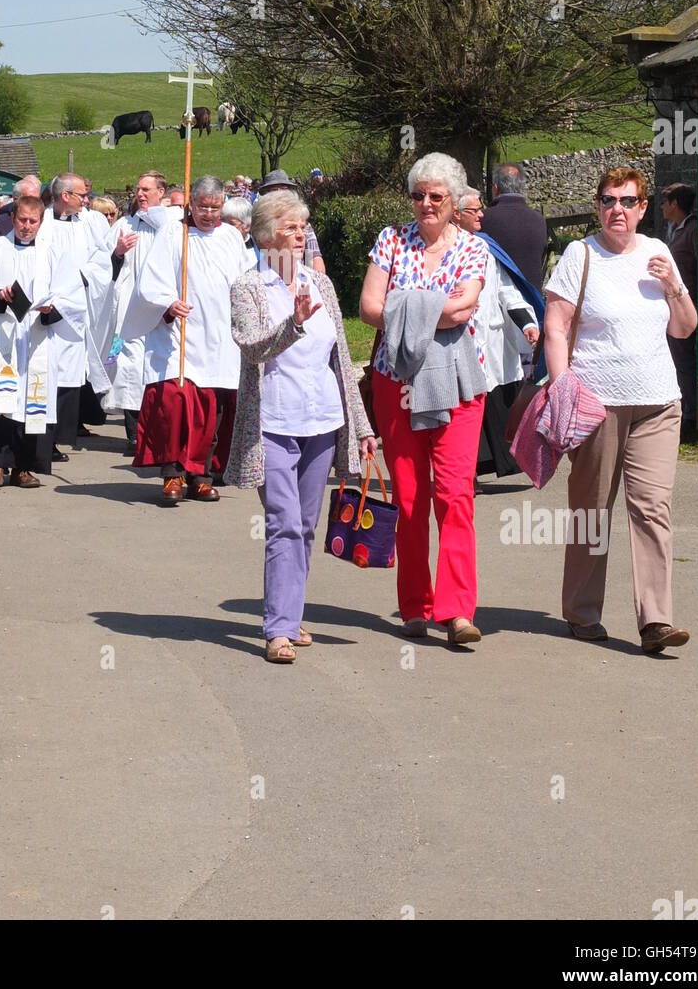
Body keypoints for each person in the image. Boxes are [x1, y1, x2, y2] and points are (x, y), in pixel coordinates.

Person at [543, 167, 697, 652]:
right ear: (598, 206)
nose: (618, 210)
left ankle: (656, 620)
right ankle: (583, 611)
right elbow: (555, 326)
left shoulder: (658, 252)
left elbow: (685, 328)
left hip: (657, 403)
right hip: (598, 405)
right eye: (609, 200)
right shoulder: (579, 254)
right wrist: (561, 384)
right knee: (592, 510)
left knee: (653, 509)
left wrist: (673, 283)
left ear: (642, 208)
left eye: (628, 202)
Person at [227, 191, 376, 662]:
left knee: (307, 525)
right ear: (267, 235)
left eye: (302, 227)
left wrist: (364, 426)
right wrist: (292, 323)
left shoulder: (321, 284)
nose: (300, 235)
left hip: (323, 420)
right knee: (284, 523)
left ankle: (289, 615)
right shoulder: (248, 287)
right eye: (291, 228)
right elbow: (251, 346)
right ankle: (277, 630)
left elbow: (340, 362)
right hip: (272, 421)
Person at [359, 153, 488, 647]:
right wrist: (433, 305)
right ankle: (415, 605)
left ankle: (457, 611)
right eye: (419, 195)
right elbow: (370, 308)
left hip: (456, 385)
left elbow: (464, 309)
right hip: (398, 384)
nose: (426, 204)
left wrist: (406, 303)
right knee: (411, 499)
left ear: (455, 202)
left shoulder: (474, 249)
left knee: (455, 496)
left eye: (437, 196)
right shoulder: (391, 240)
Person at [125, 175, 249, 503]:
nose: (209, 213)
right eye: (202, 207)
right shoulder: (173, 233)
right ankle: (172, 475)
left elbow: (245, 281)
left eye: (215, 208)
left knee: (213, 410)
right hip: (180, 334)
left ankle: (200, 475)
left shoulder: (231, 238)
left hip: (219, 336)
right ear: (191, 205)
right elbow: (150, 281)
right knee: (176, 404)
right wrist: (168, 302)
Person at [0, 194, 88, 488]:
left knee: (30, 402)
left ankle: (24, 467)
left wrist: (55, 308)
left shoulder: (53, 254)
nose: (27, 226)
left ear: (41, 222)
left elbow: (74, 297)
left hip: (35, 338)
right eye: (22, 220)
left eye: (33, 221)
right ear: (12, 218)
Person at [456, 187, 541, 480]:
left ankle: (494, 464)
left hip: (490, 340)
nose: (482, 214)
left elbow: (506, 289)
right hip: (457, 342)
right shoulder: (441, 250)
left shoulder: (486, 248)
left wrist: (527, 323)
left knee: (494, 403)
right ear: (456, 214)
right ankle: (465, 475)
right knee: (463, 409)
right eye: (475, 210)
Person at [102, 171, 179, 452]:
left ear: (162, 192)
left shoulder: (172, 223)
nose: (141, 194)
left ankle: (160, 432)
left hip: (161, 308)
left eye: (147, 189)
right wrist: (119, 252)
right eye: (138, 189)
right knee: (129, 368)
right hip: (130, 308)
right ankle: (134, 433)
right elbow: (101, 266)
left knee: (158, 370)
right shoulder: (125, 224)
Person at [39, 173, 112, 454]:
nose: (86, 199)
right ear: (65, 196)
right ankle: (41, 437)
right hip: (46, 309)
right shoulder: (41, 223)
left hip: (76, 308)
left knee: (70, 371)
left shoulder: (88, 225)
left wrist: (79, 278)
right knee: (45, 371)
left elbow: (101, 259)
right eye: (81, 195)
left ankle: (59, 437)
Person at [661, 182, 698, 435]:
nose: (662, 206)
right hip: (669, 305)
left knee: (684, 360)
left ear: (675, 204)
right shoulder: (672, 228)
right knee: (674, 358)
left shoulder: (692, 230)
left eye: (665, 201)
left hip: (687, 306)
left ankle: (690, 415)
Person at [479, 162, 548, 291]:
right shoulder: (539, 220)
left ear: (495, 189)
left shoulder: (482, 219)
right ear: (522, 187)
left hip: (498, 303)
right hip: (532, 302)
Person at [257, 170, 326, 273]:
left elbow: (313, 256)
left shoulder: (302, 224)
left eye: (284, 190)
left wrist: (317, 282)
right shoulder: (257, 225)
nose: (280, 194)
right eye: (274, 190)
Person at [221, 196, 258, 267]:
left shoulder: (257, 252)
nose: (225, 227)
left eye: (231, 224)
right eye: (222, 221)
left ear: (247, 226)